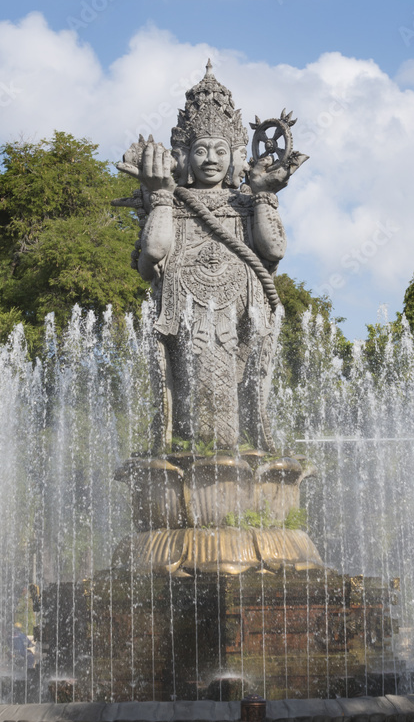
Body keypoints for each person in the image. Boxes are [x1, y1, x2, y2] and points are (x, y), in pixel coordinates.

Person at [116, 62, 306, 451]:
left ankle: (242, 452)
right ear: (183, 156)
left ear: (235, 156)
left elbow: (274, 250)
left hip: (242, 315)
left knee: (244, 396)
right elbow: (152, 253)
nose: (210, 159)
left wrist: (263, 195)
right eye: (200, 150)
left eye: (220, 150)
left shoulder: (246, 203)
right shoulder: (172, 203)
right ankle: (185, 449)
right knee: (185, 402)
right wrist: (161, 195)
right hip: (184, 317)